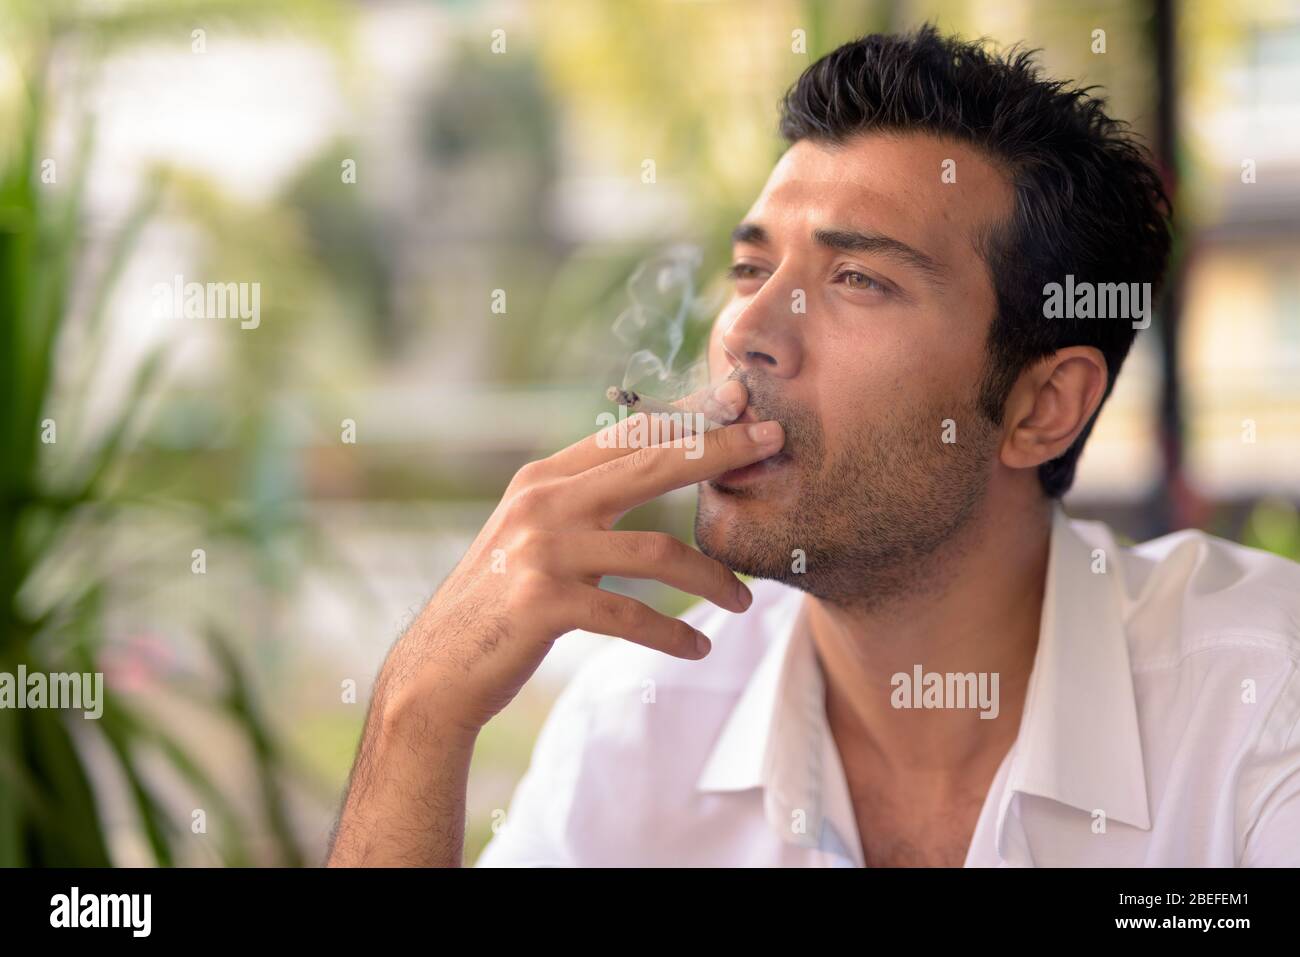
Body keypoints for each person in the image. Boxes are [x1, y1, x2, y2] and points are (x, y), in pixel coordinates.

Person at [326, 24, 1300, 867]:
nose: (749, 328)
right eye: (751, 266)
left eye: (857, 282)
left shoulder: (1257, 704)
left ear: (1043, 406)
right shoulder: (640, 722)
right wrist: (420, 714)